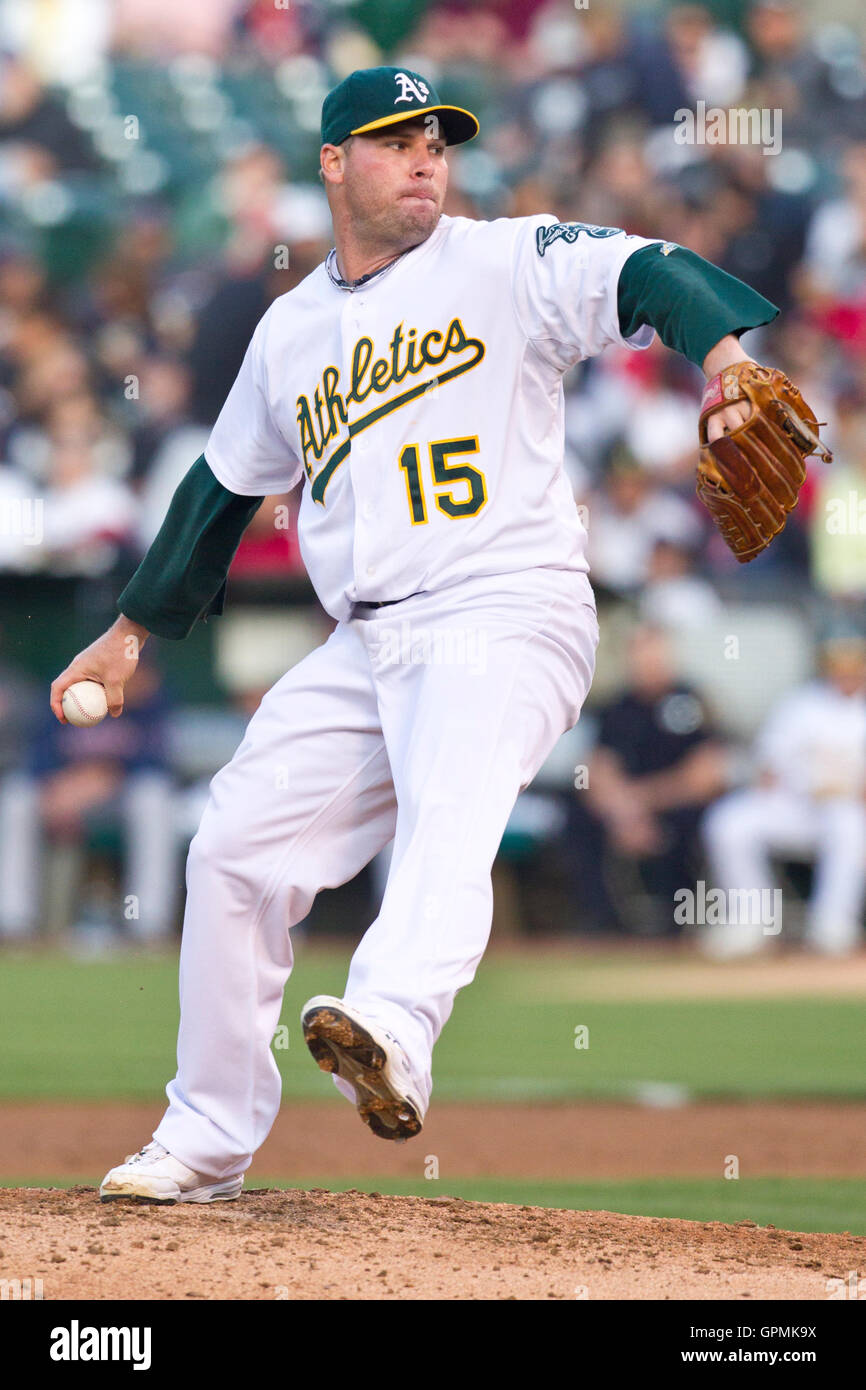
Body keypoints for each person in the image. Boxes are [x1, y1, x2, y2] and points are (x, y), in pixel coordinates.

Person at [50, 65, 784, 1203]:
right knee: (232, 847)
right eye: (395, 140)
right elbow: (220, 487)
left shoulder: (503, 261)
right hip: (367, 638)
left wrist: (728, 355)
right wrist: (133, 631)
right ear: (335, 162)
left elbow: (648, 270)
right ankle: (204, 1138)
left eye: (436, 138)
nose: (425, 155)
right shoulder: (290, 332)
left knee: (449, 800)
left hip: (507, 601)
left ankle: (387, 1024)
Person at [702, 634, 866, 959]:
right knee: (730, 822)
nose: (846, 672)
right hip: (796, 805)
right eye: (839, 664)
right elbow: (768, 763)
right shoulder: (800, 704)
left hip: (849, 811)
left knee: (849, 824)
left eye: (854, 664)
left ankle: (833, 924)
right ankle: (751, 920)